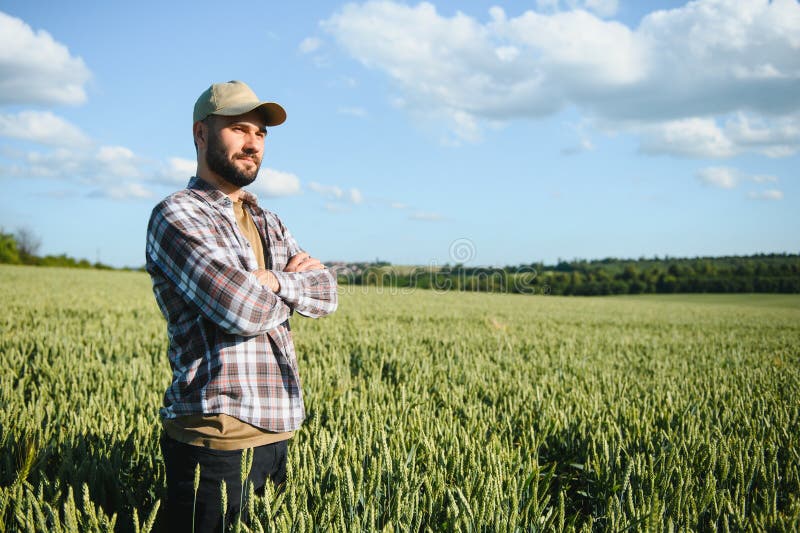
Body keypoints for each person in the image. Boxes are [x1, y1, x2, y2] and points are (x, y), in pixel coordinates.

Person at [145, 80, 338, 531]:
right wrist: (293, 285)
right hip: (215, 434)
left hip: (279, 428)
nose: (253, 143)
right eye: (238, 129)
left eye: (261, 133)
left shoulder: (269, 219)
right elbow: (241, 309)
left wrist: (270, 281)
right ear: (201, 134)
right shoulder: (178, 215)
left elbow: (326, 293)